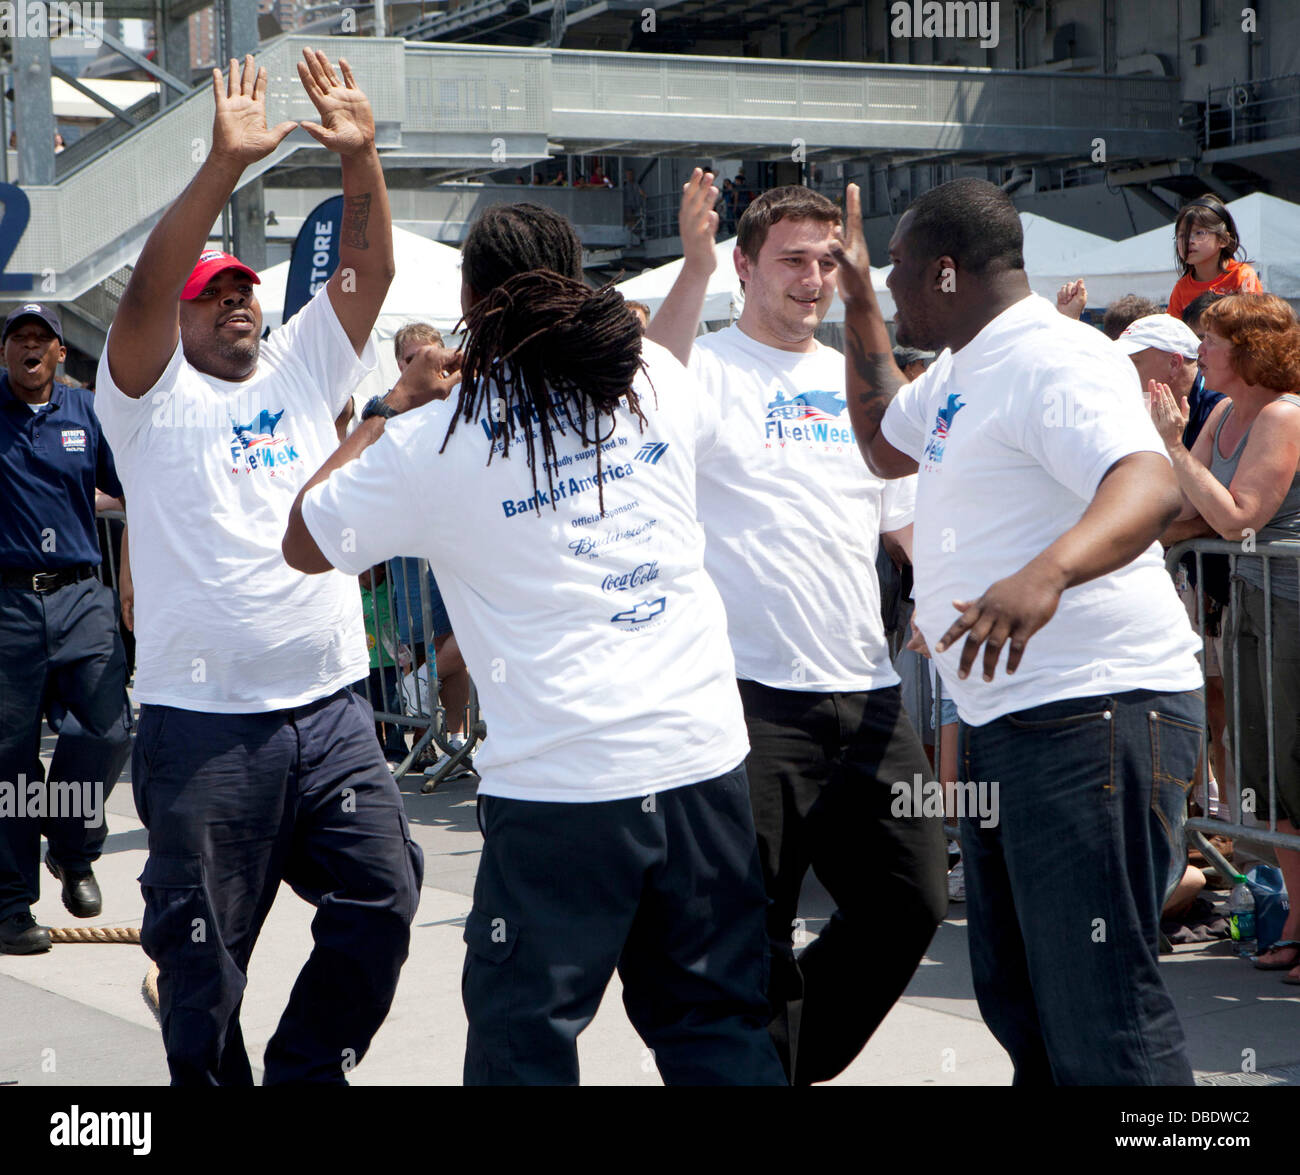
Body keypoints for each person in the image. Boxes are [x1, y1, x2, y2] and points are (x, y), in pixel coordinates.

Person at [283, 200, 786, 1087]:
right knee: (716, 1026)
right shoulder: (656, 385)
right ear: (577, 282)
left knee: (526, 1043)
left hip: (562, 790)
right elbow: (662, 369)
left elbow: (302, 539)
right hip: (700, 766)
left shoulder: (430, 439)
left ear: (472, 304)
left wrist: (385, 406)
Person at [93, 51, 422, 1086]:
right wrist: (221, 170)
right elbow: (150, 284)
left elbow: (367, 272)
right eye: (214, 295)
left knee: (385, 894)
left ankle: (307, 1066)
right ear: (179, 320)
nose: (235, 301)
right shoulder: (142, 400)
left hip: (329, 711)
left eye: (243, 290)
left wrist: (362, 157)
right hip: (203, 728)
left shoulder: (300, 366)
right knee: (200, 961)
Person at [837, 176, 1204, 1084]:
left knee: (1101, 1007)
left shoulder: (1056, 356)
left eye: (898, 272)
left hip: (1095, 710)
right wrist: (854, 305)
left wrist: (1046, 573)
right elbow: (884, 437)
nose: (891, 286)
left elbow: (1147, 481)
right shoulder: (965, 366)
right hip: (1015, 721)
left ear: (950, 273)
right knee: (1024, 1002)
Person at [647, 173, 946, 1085]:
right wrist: (686, 273)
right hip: (744, 697)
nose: (813, 278)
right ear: (743, 266)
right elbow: (643, 395)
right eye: (792, 260)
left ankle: (779, 1064)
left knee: (912, 897)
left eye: (827, 259)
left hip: (868, 691)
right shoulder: (704, 368)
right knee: (751, 921)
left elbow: (905, 523)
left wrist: (946, 593)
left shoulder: (861, 380)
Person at [1149, 292, 1300, 984]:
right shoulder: (1226, 416)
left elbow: (1238, 517)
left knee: (1291, 763)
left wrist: (1178, 451)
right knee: (1266, 771)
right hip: (1249, 602)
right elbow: (1185, 512)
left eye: (1208, 340)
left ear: (1248, 347)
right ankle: (1297, 915)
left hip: (1288, 607)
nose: (1198, 352)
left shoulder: (1281, 415)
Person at [0, 303, 132, 954]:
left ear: (59, 353)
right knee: (9, 760)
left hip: (82, 593)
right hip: (8, 605)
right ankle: (11, 903)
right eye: (18, 338)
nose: (30, 347)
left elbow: (134, 486)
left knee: (107, 728)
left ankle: (73, 848)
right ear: (5, 354)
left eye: (41, 339)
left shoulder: (85, 414)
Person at [388, 323, 474, 781]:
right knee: (430, 640)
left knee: (460, 632)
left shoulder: (459, 401)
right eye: (409, 359)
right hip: (410, 548)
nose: (420, 365)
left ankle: (448, 727)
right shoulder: (389, 409)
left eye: (428, 355)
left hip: (455, 541)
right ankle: (447, 740)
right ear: (399, 365)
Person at [1167, 195, 1262, 322]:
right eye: (1182, 235)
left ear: (1223, 240)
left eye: (1199, 233)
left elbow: (1253, 326)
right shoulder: (1181, 288)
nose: (1189, 241)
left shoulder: (1242, 276)